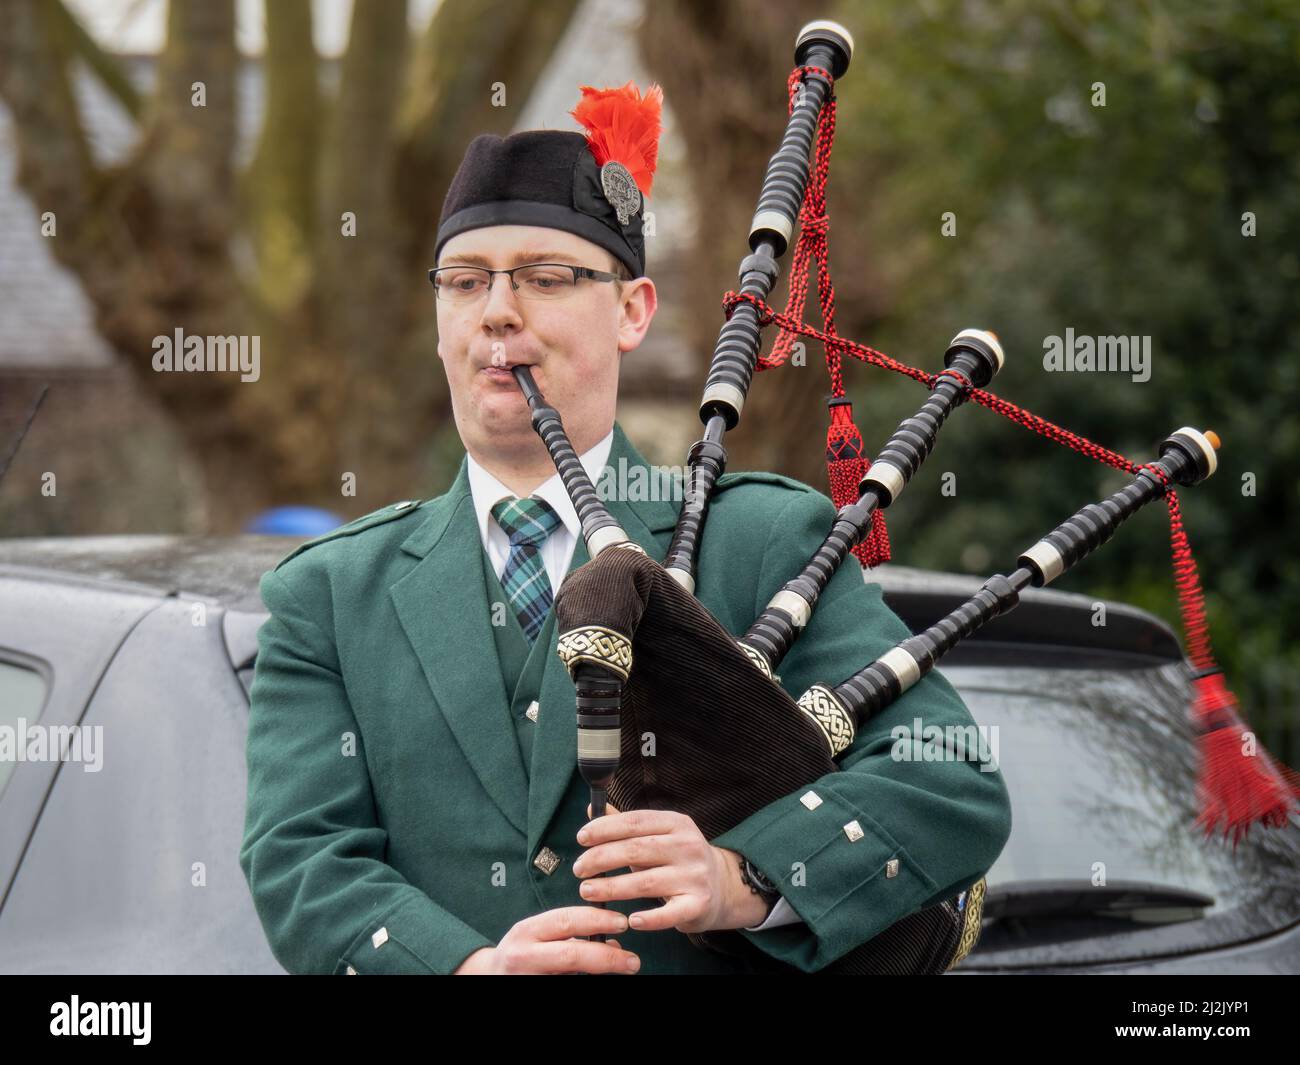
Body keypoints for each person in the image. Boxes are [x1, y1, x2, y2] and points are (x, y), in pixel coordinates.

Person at [239, 82, 1012, 975]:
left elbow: (948, 769)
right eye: (466, 282)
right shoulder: (329, 596)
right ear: (441, 318)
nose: (498, 310)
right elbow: (301, 859)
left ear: (633, 309)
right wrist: (467, 968)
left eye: (545, 277)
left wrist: (746, 874)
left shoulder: (758, 539)